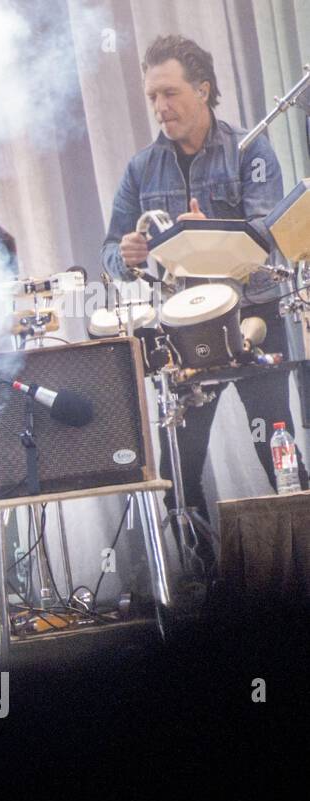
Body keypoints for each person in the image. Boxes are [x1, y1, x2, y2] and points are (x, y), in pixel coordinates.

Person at [101, 35, 307, 554]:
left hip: (253, 316)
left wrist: (209, 233)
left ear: (203, 90)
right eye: (152, 97)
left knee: (275, 448)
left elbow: (269, 230)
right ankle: (205, 585)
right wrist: (122, 256)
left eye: (169, 93)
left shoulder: (249, 148)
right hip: (184, 333)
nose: (160, 107)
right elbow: (110, 249)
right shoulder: (139, 168)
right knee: (179, 468)